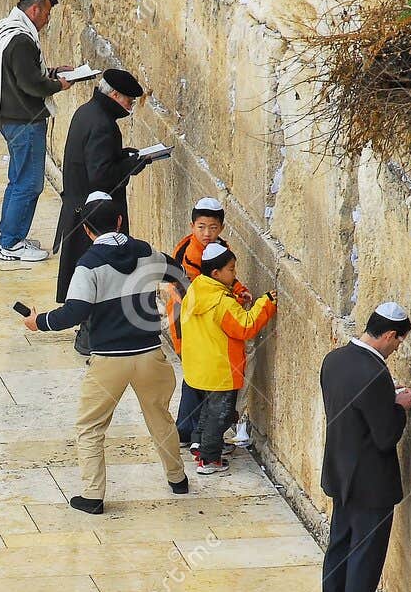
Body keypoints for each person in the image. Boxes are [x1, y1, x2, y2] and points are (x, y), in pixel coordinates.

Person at [18, 196, 188, 513]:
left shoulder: (88, 265)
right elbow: (175, 272)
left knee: (90, 427)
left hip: (110, 360)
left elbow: (74, 312)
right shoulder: (145, 252)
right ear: (120, 221)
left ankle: (93, 496)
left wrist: (39, 322)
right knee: (160, 418)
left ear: (87, 231)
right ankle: (177, 479)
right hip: (150, 353)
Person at [315, 302, 411, 592]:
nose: (396, 348)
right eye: (398, 342)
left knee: (340, 551)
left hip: (340, 475)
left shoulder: (335, 360)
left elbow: (352, 411)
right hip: (370, 484)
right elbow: (385, 435)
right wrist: (399, 405)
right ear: (389, 335)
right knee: (364, 559)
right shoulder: (374, 373)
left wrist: (384, 401)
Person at [0, 0, 72, 263]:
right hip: (24, 122)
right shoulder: (21, 40)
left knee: (18, 179)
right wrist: (57, 85)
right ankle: (11, 244)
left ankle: (9, 237)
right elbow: (30, 83)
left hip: (11, 119)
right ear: (34, 10)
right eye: (46, 13)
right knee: (29, 183)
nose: (47, 20)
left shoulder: (5, 29)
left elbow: (23, 73)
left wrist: (54, 72)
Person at [52, 68, 154, 304]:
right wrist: (131, 165)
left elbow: (93, 158)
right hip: (96, 214)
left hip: (78, 205)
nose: (130, 108)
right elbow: (101, 176)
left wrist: (123, 156)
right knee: (96, 277)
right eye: (129, 101)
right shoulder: (103, 125)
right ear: (115, 95)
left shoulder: (87, 112)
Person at [180, 243, 275, 475]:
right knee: (220, 416)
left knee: (208, 411)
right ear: (216, 273)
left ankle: (199, 445)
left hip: (199, 368)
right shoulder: (223, 302)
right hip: (220, 370)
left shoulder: (196, 290)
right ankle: (210, 459)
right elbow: (245, 326)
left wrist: (234, 296)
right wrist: (266, 303)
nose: (234, 274)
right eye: (231, 270)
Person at [162, 197, 248, 445]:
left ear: (220, 227)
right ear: (192, 226)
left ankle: (190, 432)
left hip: (200, 329)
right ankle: (194, 433)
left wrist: (238, 289)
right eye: (201, 227)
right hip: (189, 326)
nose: (206, 233)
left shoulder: (219, 248)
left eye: (212, 227)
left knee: (197, 378)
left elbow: (225, 277)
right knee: (196, 380)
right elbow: (196, 292)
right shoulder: (190, 254)